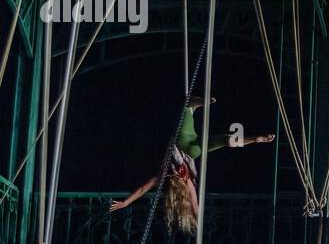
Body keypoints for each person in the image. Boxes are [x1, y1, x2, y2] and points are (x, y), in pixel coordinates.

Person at [110, 96, 275, 234]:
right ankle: (200, 104)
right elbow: (141, 189)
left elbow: (194, 204)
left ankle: (255, 139)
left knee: (225, 140)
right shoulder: (162, 178)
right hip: (183, 142)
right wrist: (126, 202)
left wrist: (199, 222)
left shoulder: (186, 180)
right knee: (188, 104)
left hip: (194, 150)